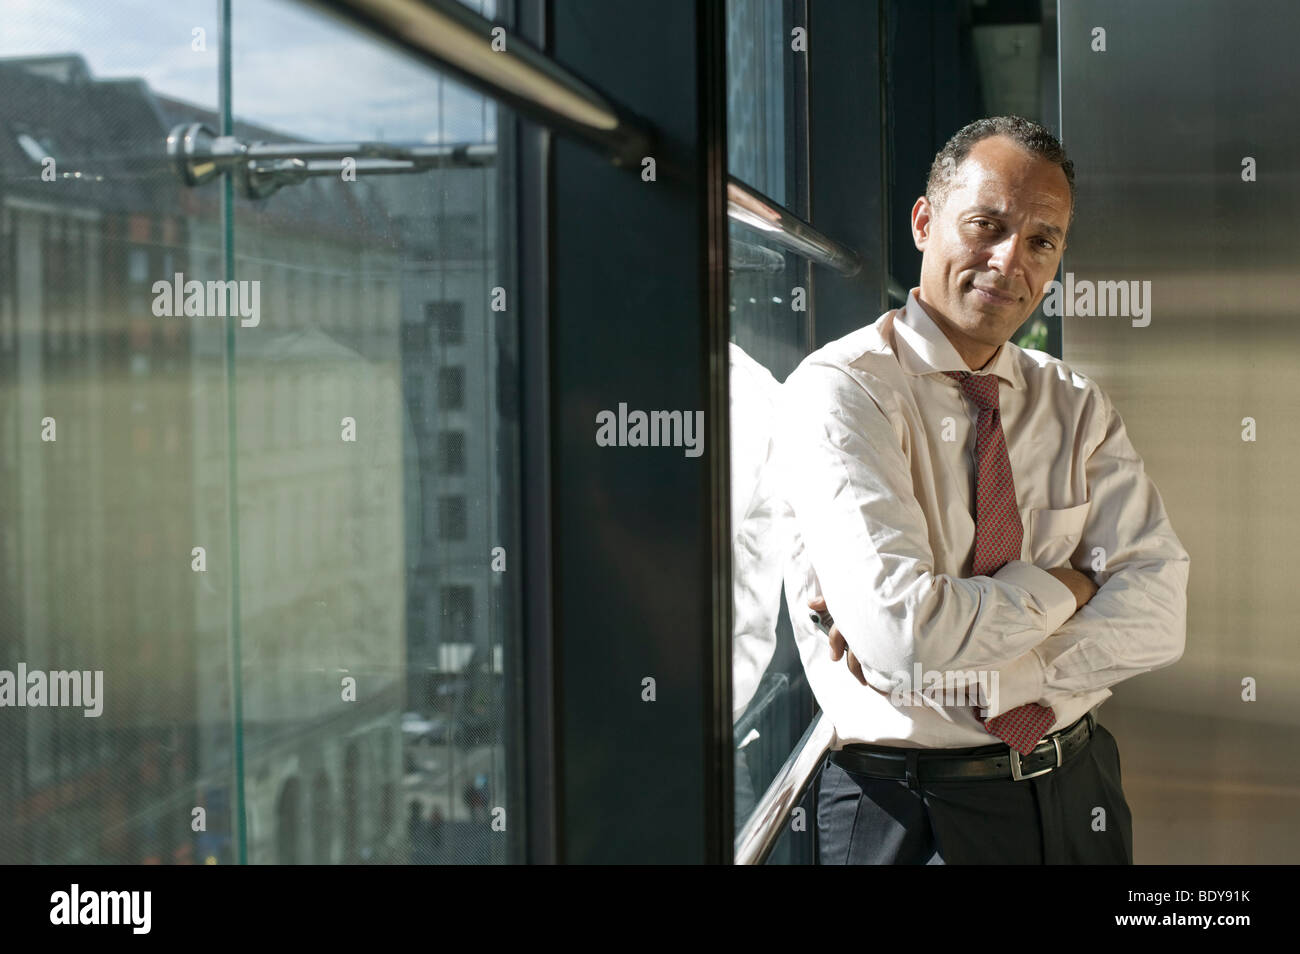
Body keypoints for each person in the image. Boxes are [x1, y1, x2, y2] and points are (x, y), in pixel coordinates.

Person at [775, 116, 1189, 864]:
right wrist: (1067, 586)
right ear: (925, 222)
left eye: (1041, 241)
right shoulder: (842, 394)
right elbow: (907, 638)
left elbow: (1161, 611)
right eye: (987, 225)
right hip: (916, 811)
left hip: (1078, 787)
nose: (1010, 262)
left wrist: (1016, 673)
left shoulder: (1073, 402)